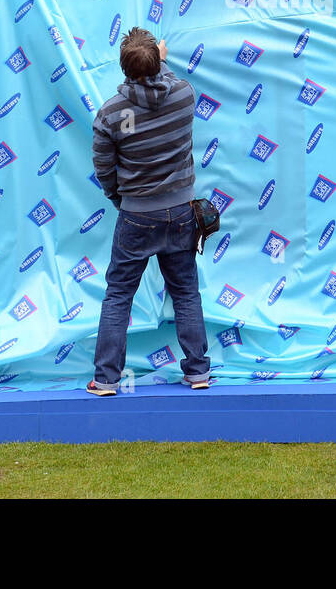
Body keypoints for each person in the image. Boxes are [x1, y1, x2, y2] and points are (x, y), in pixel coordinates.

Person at [87, 28, 210, 396]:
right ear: (159, 61)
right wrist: (162, 60)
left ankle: (107, 379)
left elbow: (104, 169)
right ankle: (198, 373)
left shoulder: (110, 114)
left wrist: (119, 200)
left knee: (119, 295)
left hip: (136, 216)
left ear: (123, 69)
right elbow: (166, 85)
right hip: (182, 211)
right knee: (186, 292)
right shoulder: (185, 95)